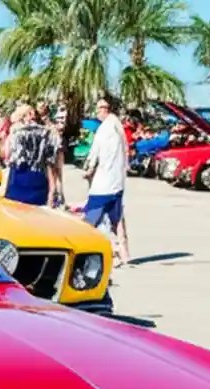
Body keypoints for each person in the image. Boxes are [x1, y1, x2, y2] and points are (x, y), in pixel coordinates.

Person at [83, 94, 130, 266]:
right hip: (116, 181)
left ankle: (113, 253)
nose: (98, 112)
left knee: (94, 218)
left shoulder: (106, 129)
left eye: (100, 108)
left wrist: (89, 169)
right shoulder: (117, 127)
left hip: (105, 183)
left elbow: (95, 152)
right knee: (116, 217)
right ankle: (123, 253)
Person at [2, 104, 62, 208]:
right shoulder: (47, 133)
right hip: (40, 180)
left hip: (18, 180)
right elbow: (51, 163)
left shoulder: (16, 133)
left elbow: (6, 155)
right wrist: (52, 190)